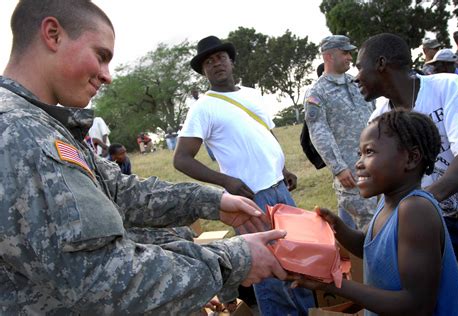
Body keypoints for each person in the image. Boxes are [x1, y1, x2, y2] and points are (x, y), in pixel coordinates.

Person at [0, 1, 289, 314]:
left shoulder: (42, 124)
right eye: (101, 56)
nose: (107, 75)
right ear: (53, 34)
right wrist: (234, 260)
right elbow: (99, 276)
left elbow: (119, 191)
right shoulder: (19, 131)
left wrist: (210, 201)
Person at [174, 35, 315, 315]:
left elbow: (265, 132)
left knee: (297, 256)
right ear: (204, 71)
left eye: (220, 57)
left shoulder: (251, 94)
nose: (216, 64)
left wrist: (283, 168)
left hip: (279, 189)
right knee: (266, 267)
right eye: (208, 62)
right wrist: (226, 182)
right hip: (250, 197)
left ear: (231, 61)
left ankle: (310, 312)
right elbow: (181, 159)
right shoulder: (204, 107)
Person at [290, 111, 458, 315]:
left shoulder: (415, 210)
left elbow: (417, 305)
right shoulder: (388, 202)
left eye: (369, 152)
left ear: (411, 158)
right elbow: (368, 246)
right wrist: (337, 227)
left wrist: (332, 283)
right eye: (360, 154)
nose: (358, 163)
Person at [356, 33, 458, 261]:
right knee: (435, 287)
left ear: (381, 64)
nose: (356, 77)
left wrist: (420, 202)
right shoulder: (379, 119)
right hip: (435, 217)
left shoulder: (447, 88)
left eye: (360, 68)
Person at [304, 35, 376, 230]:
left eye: (350, 52)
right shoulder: (317, 93)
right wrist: (339, 168)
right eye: (345, 53)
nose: (350, 57)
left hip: (376, 166)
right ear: (328, 56)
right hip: (351, 172)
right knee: (365, 228)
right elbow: (319, 133)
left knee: (382, 221)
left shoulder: (357, 83)